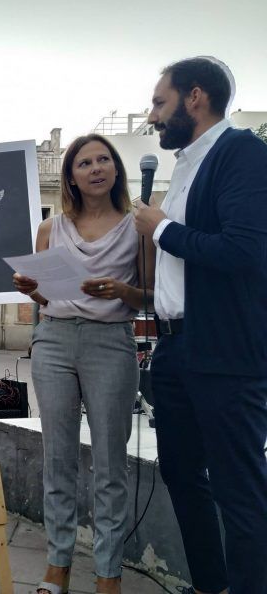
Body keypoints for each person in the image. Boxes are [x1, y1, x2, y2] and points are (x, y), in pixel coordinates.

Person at [134, 57, 267, 594]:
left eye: (160, 103)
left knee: (239, 489)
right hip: (173, 351)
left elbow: (244, 249)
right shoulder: (186, 165)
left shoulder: (242, 153)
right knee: (183, 478)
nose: (153, 115)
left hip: (224, 354)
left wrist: (161, 227)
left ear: (195, 97)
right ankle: (210, 586)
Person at [13, 134, 155, 594]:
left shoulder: (139, 225)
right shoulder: (51, 227)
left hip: (111, 342)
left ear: (116, 168)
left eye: (103, 159)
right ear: (70, 175)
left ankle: (108, 573)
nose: (95, 168)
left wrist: (122, 292)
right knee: (58, 459)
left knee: (111, 464)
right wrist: (29, 289)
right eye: (84, 162)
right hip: (53, 339)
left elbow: (153, 297)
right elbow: (44, 297)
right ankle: (58, 565)